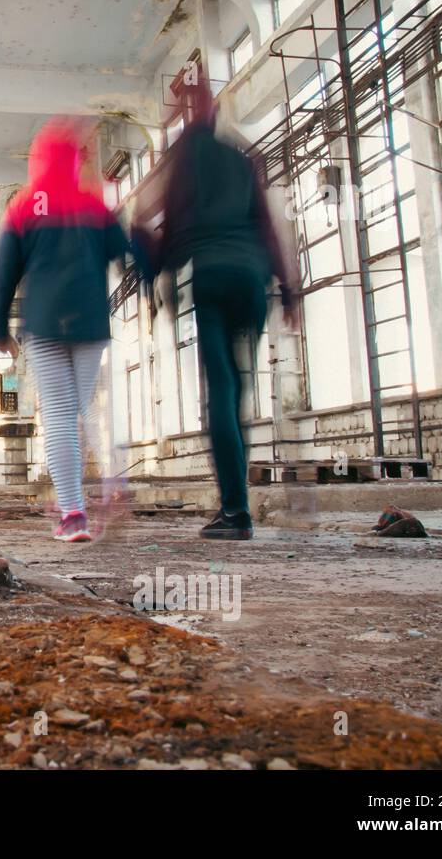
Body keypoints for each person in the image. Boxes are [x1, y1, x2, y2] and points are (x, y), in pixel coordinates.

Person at [139, 80, 300, 539]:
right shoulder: (242, 160)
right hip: (252, 282)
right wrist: (289, 291)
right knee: (238, 394)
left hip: (212, 279)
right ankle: (236, 505)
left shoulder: (184, 163)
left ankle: (235, 511)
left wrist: (157, 277)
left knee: (221, 397)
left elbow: (171, 230)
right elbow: (268, 225)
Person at [0, 117, 135, 542]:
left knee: (57, 415)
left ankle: (73, 513)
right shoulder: (93, 206)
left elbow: (3, 273)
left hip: (46, 323)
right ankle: (112, 482)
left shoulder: (23, 205)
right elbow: (128, 255)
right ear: (72, 162)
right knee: (82, 408)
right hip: (90, 322)